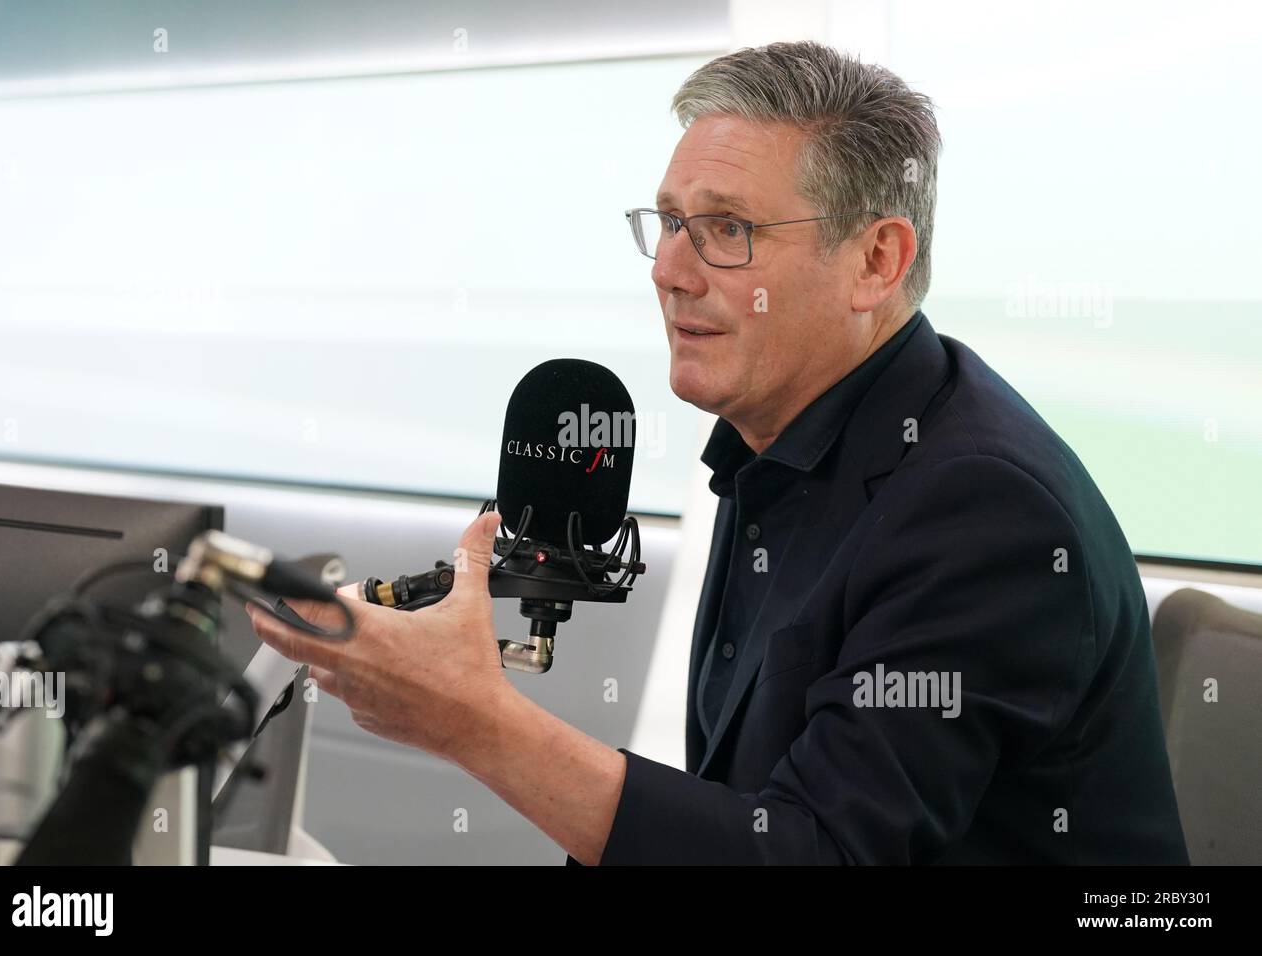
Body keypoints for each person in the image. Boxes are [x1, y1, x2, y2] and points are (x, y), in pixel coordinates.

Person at [248, 41, 1188, 865]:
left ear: (877, 262)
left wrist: (479, 726)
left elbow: (816, 856)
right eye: (668, 222)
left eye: (727, 230)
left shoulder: (984, 513)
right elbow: (749, 806)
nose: (668, 270)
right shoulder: (777, 435)